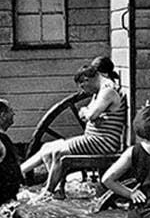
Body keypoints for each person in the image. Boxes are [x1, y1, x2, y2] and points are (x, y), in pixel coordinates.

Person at [19, 63, 129, 198]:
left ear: (86, 80)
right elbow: (84, 112)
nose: (84, 91)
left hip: (103, 142)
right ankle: (22, 175)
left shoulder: (107, 91)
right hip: (93, 139)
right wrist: (89, 113)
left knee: (58, 152)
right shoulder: (100, 91)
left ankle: (48, 192)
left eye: (83, 86)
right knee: (47, 148)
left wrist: (90, 114)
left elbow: (89, 115)